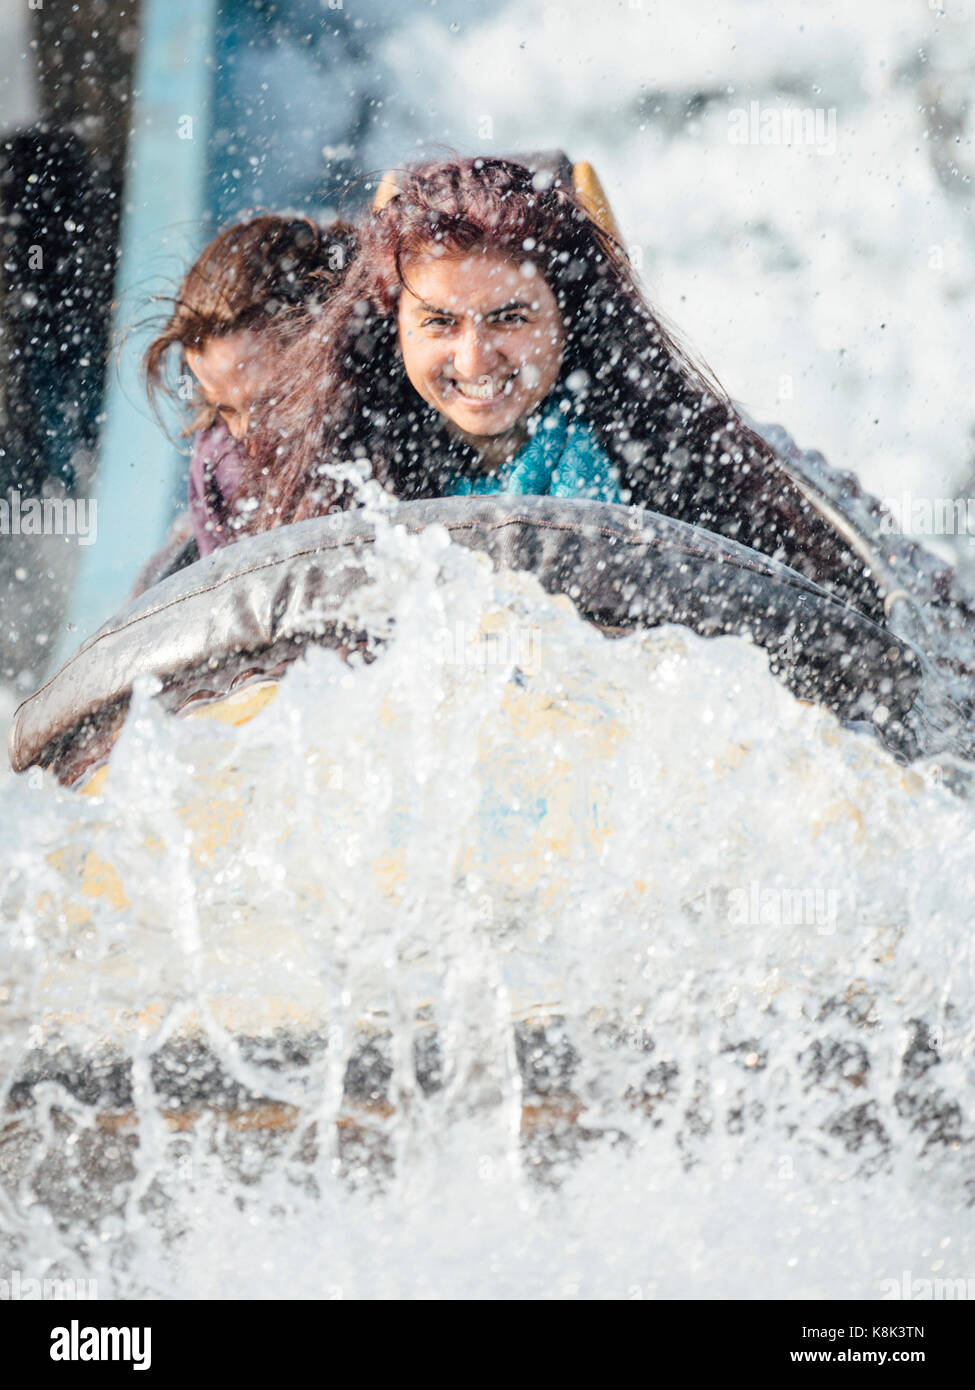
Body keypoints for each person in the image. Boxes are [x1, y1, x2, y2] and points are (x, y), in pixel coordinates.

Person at [242, 156, 887, 624]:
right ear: (391, 329)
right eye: (438, 322)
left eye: (511, 318)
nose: (474, 359)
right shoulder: (332, 470)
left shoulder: (674, 456)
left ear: (569, 320)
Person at [133, 213, 355, 591]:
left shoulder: (382, 403)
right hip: (177, 564)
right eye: (224, 409)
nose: (245, 433)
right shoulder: (221, 464)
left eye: (269, 403)